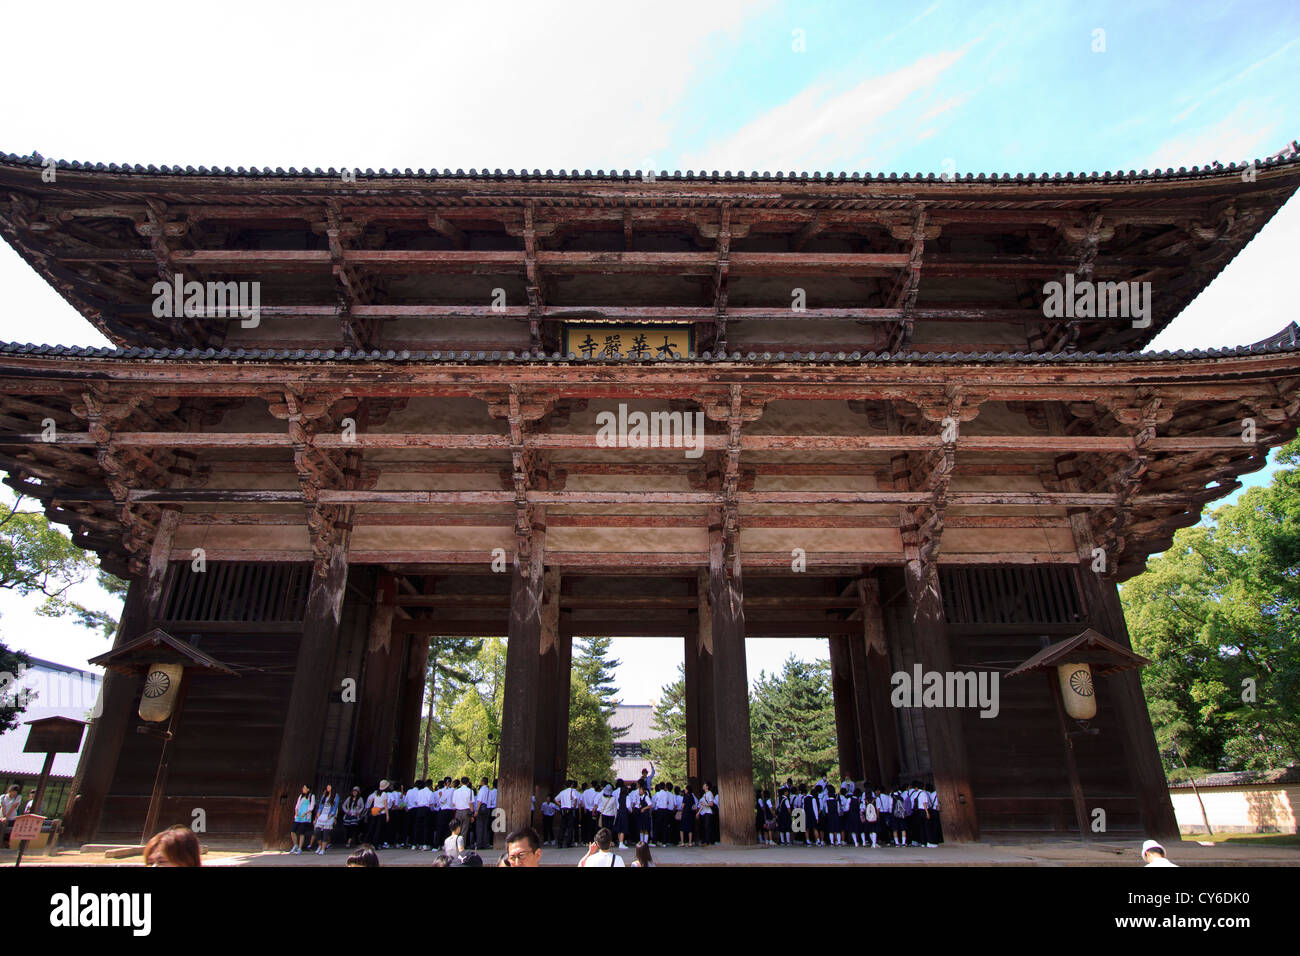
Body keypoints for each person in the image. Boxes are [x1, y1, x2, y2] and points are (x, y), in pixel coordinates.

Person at [313, 783, 338, 855]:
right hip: (322, 815)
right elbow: (320, 805)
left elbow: (335, 806)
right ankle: (320, 845)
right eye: (327, 787)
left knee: (325, 832)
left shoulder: (336, 796)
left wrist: (331, 815)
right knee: (317, 831)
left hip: (329, 815)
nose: (328, 788)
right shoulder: (324, 795)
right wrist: (318, 813)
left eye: (329, 787)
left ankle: (323, 849)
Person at [290, 784, 316, 854]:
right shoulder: (301, 796)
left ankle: (300, 848)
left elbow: (311, 807)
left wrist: (306, 813)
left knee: (302, 833)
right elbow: (297, 805)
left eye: (304, 788)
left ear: (308, 789)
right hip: (299, 816)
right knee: (293, 831)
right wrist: (296, 812)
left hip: (305, 816)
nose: (303, 789)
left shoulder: (311, 796)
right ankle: (295, 845)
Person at [365, 780, 390, 848]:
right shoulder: (384, 794)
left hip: (375, 811)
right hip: (381, 813)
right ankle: (376, 844)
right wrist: (387, 815)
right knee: (378, 829)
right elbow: (385, 805)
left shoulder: (376, 793)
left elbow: (371, 802)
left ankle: (367, 842)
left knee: (372, 827)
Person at [557, 779, 579, 848]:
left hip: (563, 809)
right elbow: (575, 799)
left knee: (562, 826)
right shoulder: (572, 791)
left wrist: (560, 805)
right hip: (570, 809)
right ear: (571, 785)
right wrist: (575, 805)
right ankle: (568, 843)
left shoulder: (562, 792)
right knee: (570, 827)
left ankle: (560, 843)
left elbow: (556, 799)